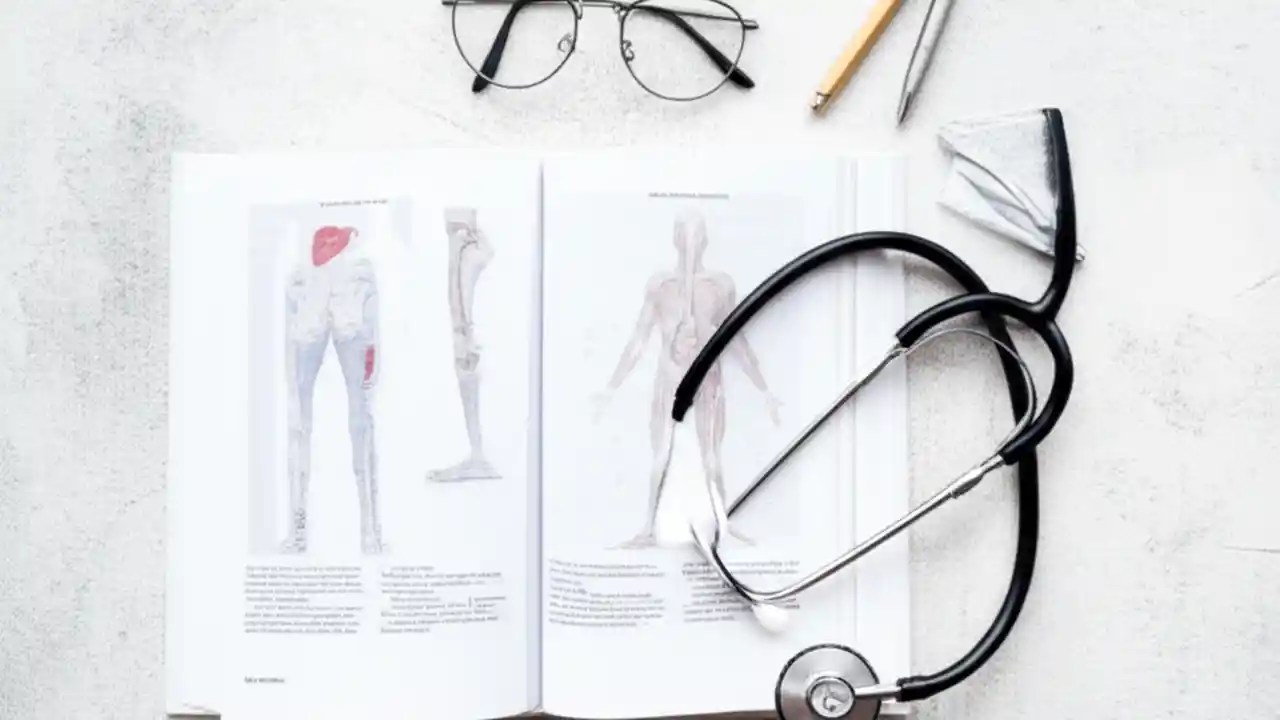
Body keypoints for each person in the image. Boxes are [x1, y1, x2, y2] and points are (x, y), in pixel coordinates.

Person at [595, 210, 781, 548]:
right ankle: (651, 528)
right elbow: (639, 339)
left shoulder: (717, 285)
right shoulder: (662, 285)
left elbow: (735, 338)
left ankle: (721, 524)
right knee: (664, 452)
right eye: (687, 234)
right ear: (678, 239)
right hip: (670, 377)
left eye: (695, 234)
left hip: (707, 379)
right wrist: (611, 387)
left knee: (710, 453)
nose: (691, 242)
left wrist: (764, 388)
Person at [280, 225, 384, 555]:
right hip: (319, 297)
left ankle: (369, 531)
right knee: (303, 421)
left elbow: (373, 328)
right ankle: (300, 530)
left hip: (343, 298)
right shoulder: (303, 275)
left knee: (359, 421)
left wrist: (372, 364)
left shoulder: (358, 271)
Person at [428, 207, 501, 482]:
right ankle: (476, 455)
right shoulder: (465, 251)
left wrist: (466, 336)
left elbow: (463, 298)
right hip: (465, 333)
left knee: (469, 378)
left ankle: (478, 456)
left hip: (468, 335)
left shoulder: (467, 253)